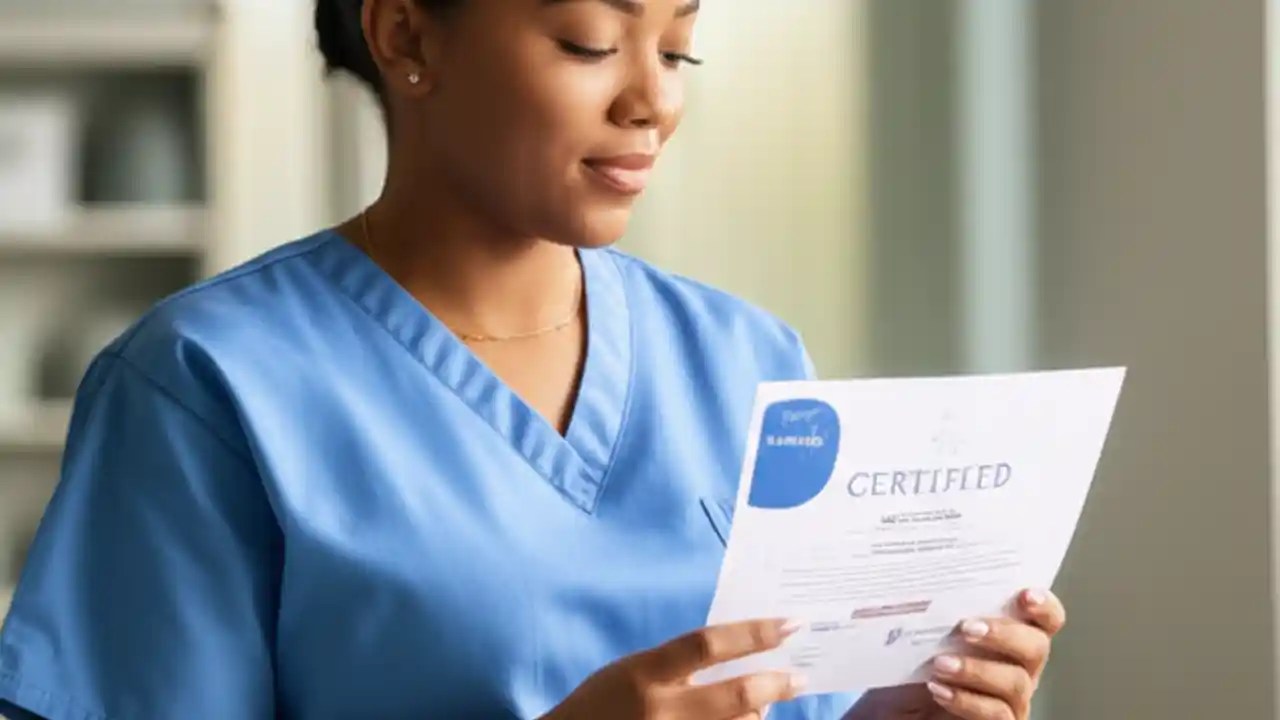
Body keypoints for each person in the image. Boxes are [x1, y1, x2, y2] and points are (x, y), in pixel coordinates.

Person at [0, 0, 1066, 718]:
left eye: (678, 45)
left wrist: (894, 710)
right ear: (407, 34)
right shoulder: (207, 381)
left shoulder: (749, 359)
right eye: (592, 44)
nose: (653, 99)